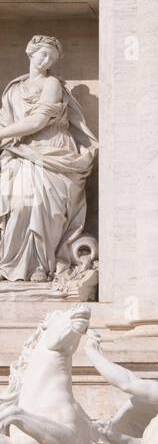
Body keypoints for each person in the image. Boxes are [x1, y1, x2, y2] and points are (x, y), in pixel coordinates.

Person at [0, 35, 97, 282]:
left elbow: (39, 121)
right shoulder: (14, 89)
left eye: (52, 58)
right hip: (21, 151)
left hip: (52, 150)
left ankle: (41, 265)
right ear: (30, 52)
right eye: (43, 54)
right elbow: (8, 120)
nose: (46, 60)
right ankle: (12, 265)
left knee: (44, 206)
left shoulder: (52, 83)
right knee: (20, 204)